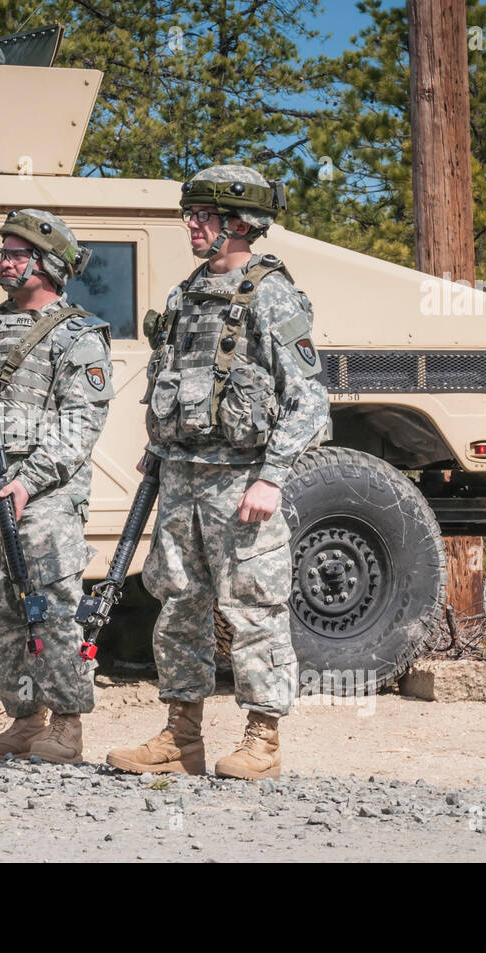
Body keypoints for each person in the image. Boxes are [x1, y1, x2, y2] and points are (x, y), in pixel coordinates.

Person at [106, 165, 330, 780]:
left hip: (242, 480)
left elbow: (310, 399)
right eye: (192, 215)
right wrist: (157, 447)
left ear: (238, 224)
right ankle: (181, 736)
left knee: (254, 608)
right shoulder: (186, 293)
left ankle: (263, 742)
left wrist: (273, 476)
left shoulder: (273, 295)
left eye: (201, 216)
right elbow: (172, 382)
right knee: (178, 603)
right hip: (179, 477)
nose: (190, 225)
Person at [0, 210, 112, 765]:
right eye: (4, 251)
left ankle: (69, 726)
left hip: (45, 500)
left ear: (48, 264)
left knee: (52, 610)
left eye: (16, 253)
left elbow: (80, 425)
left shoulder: (77, 336)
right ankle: (26, 720)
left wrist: (29, 481)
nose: (4, 261)